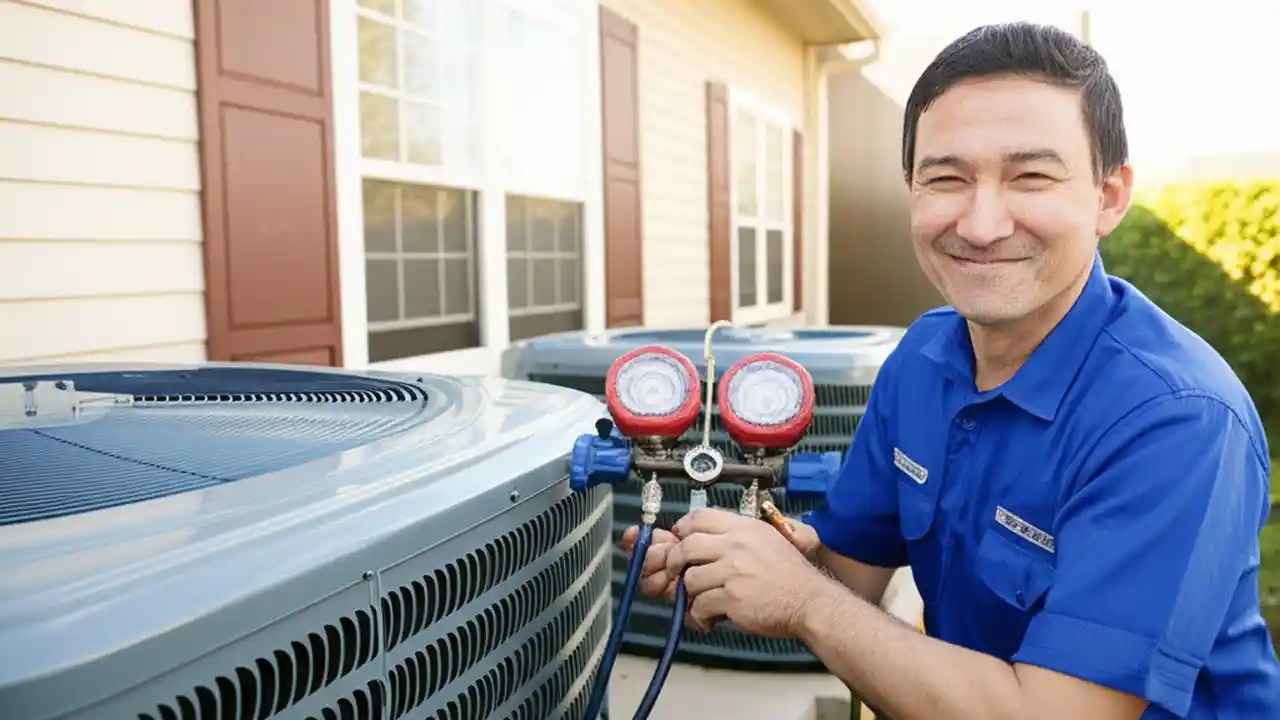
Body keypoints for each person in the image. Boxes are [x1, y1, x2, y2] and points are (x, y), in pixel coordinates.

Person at [619, 21, 1280, 720]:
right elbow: (849, 575)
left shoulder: (1176, 419)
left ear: (1108, 197)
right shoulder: (924, 360)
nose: (982, 223)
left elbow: (1059, 714)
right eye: (946, 178)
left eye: (1031, 176)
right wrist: (740, 562)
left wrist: (803, 600)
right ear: (912, 189)